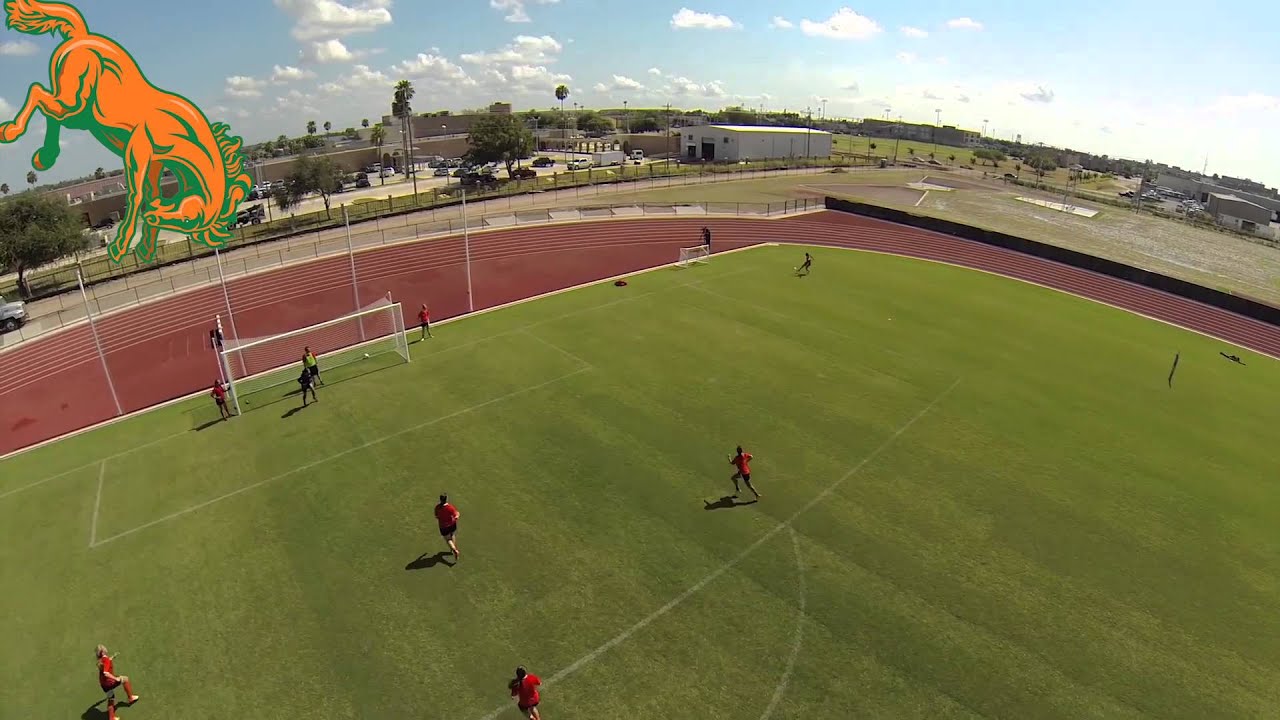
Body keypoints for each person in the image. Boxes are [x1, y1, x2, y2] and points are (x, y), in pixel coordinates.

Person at [96, 645, 139, 720]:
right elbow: (106, 672)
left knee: (111, 698)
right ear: (103, 652)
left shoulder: (102, 660)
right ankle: (130, 698)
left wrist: (112, 658)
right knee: (125, 679)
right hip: (109, 682)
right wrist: (116, 678)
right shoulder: (105, 660)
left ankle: (111, 718)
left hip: (103, 684)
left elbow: (106, 664)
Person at [435, 494, 460, 560]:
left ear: (440, 499)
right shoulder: (450, 507)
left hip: (443, 526)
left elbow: (436, 516)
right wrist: (458, 514)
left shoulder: (437, 507)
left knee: (448, 539)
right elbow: (456, 515)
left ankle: (454, 550)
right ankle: (452, 549)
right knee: (452, 535)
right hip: (452, 524)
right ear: (446, 499)